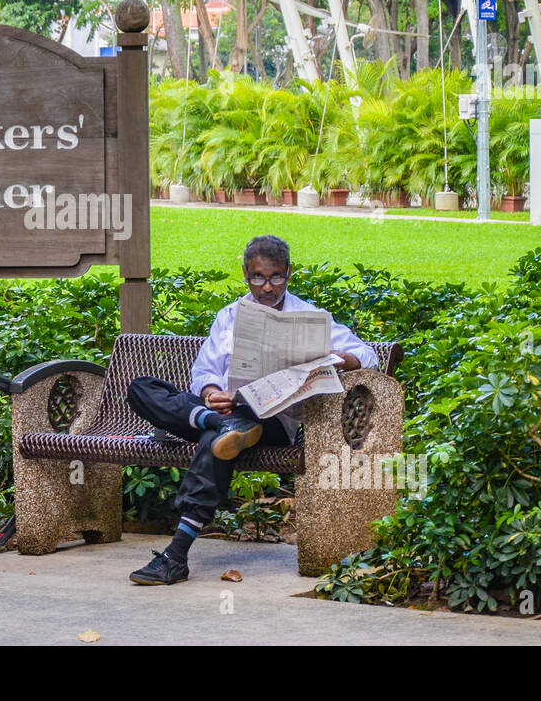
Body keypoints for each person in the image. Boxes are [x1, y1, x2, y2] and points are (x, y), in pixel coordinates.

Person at [126, 234, 379, 585]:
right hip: (224, 411)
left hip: (271, 420)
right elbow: (203, 372)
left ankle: (177, 554)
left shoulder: (309, 316)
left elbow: (370, 356)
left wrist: (342, 360)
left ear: (289, 273)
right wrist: (212, 393)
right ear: (246, 274)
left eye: (276, 277)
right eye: (258, 277)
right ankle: (216, 421)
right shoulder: (230, 317)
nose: (267, 287)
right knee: (141, 388)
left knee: (219, 436)